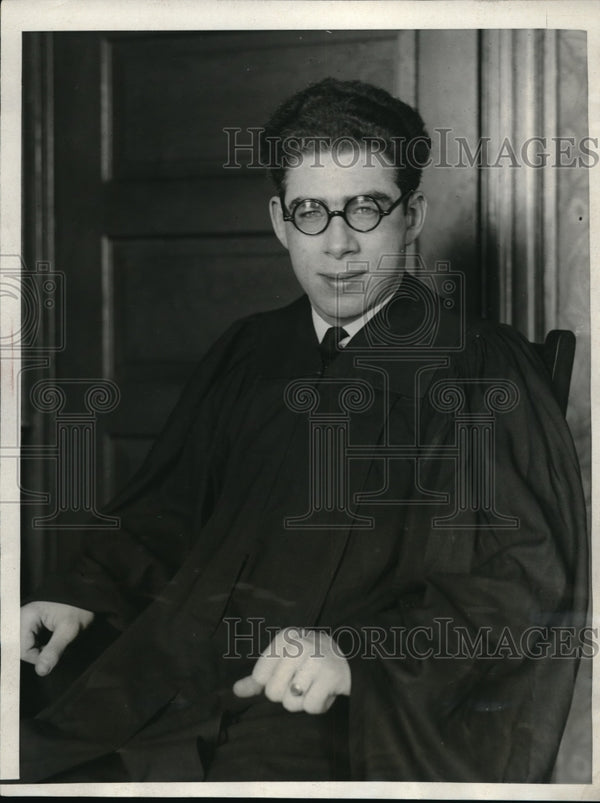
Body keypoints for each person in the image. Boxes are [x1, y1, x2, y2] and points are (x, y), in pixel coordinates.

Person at [19, 78, 588, 783]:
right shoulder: (250, 351)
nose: (338, 243)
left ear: (413, 216)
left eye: (367, 209)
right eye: (311, 211)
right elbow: (167, 513)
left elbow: (522, 584)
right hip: (174, 676)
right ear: (279, 221)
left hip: (340, 715)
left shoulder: (479, 371)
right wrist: (85, 593)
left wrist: (355, 654)